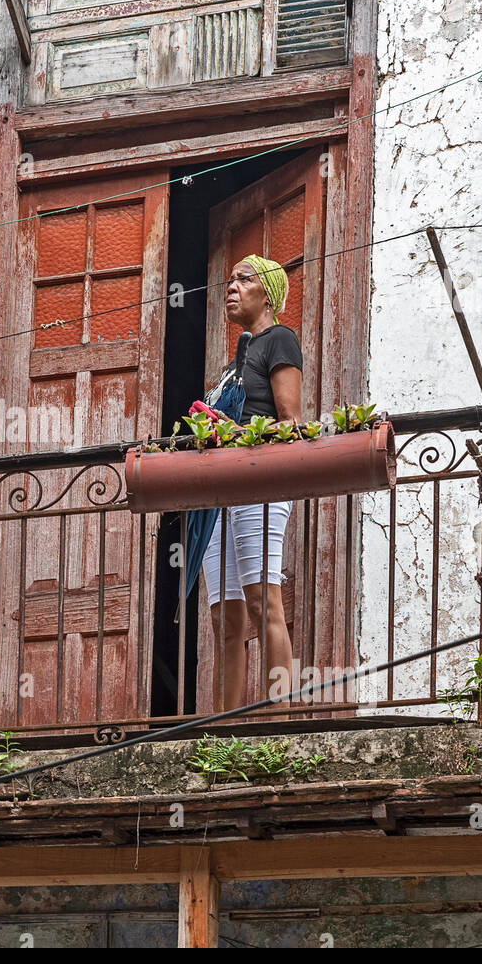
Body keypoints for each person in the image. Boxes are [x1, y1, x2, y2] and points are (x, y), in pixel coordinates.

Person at [186, 254, 302, 710]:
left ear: (268, 294)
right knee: (225, 620)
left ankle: (280, 720)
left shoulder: (280, 340)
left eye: (243, 279)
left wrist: (235, 433)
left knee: (262, 601)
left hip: (258, 483)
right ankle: (224, 731)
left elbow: (292, 423)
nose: (230, 286)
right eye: (229, 280)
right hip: (220, 491)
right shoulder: (235, 361)